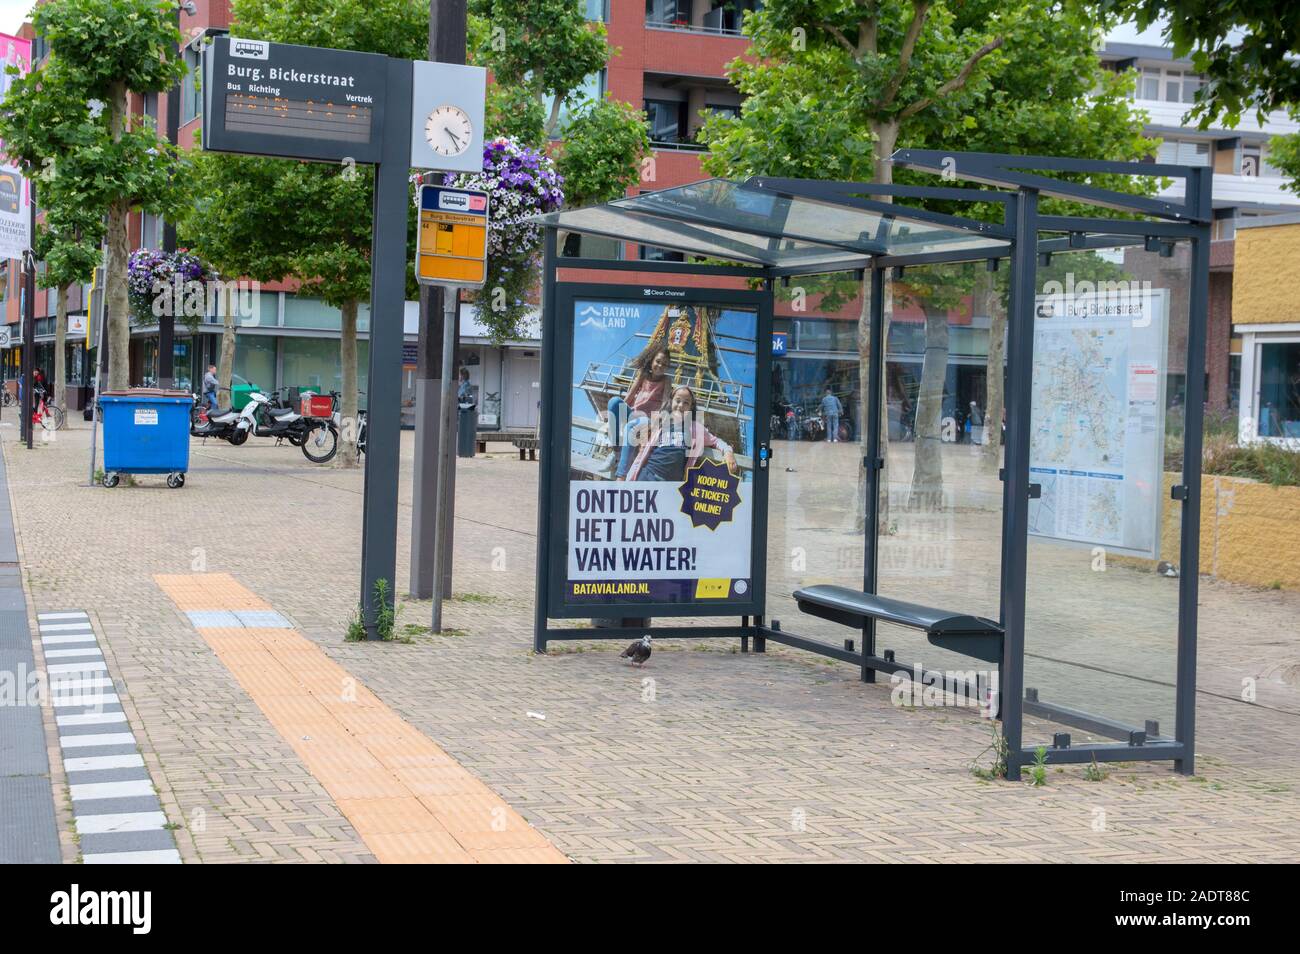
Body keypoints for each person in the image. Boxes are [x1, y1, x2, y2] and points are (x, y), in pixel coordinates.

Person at [624, 385, 736, 482]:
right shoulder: (661, 422)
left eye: (686, 402)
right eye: (677, 400)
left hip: (671, 484)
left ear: (691, 407)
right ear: (671, 401)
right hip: (648, 476)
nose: (681, 405)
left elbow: (716, 441)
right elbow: (644, 449)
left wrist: (728, 452)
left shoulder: (696, 429)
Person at [605, 346, 671, 478]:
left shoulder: (666, 380)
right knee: (614, 401)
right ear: (652, 360)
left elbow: (665, 403)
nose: (660, 365)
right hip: (633, 414)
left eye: (665, 364)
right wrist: (613, 418)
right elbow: (631, 394)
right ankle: (615, 451)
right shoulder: (643, 374)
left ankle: (621, 475)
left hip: (646, 420)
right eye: (658, 361)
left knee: (634, 425)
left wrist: (655, 423)